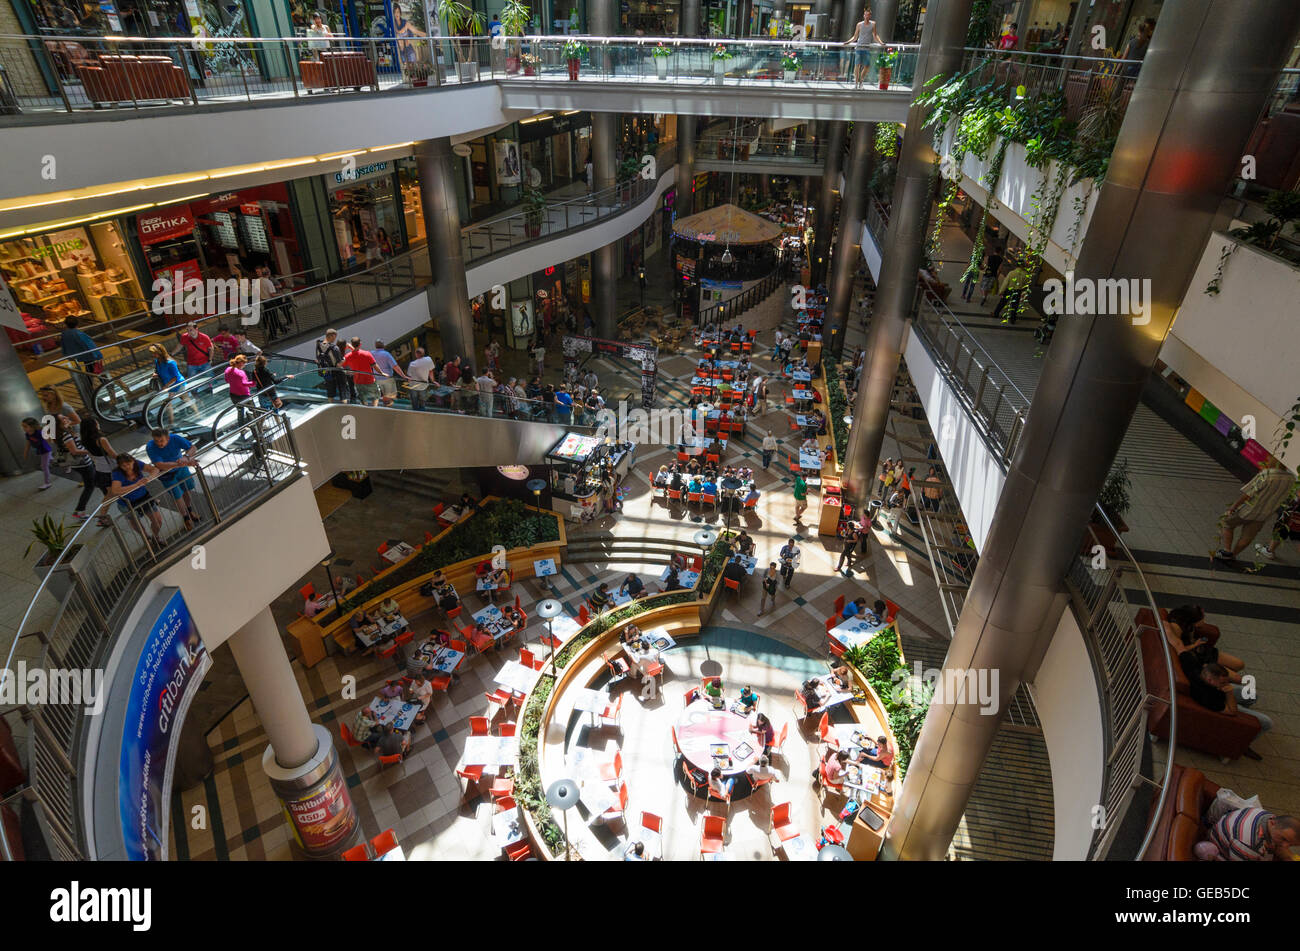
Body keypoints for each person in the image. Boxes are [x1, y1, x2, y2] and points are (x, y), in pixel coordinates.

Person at [1215, 462, 1297, 563]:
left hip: (1247, 510)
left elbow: (1248, 494)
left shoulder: (1267, 474)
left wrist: (1233, 507)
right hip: (1265, 514)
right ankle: (1233, 555)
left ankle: (1227, 551)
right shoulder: (1292, 479)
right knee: (1247, 537)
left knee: (1227, 523)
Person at [145, 428, 202, 529]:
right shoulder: (150, 446)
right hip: (167, 474)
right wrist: (183, 463)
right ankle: (185, 517)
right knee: (177, 496)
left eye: (161, 440)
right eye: (156, 441)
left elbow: (193, 447)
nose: (159, 444)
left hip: (182, 469)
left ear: (168, 438)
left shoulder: (175, 438)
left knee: (186, 490)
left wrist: (186, 457)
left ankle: (189, 511)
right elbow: (160, 465)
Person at [1195, 809, 1299, 862]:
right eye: (1284, 839)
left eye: (1291, 844)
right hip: (1222, 852)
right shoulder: (1248, 845)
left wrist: (1288, 856)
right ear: (1272, 823)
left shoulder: (1266, 816)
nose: (1286, 846)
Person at [108, 453, 164, 543]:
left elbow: (155, 469)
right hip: (127, 503)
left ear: (133, 461)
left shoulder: (137, 464)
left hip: (144, 497)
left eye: (129, 463)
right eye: (124, 466)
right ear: (119, 466)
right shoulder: (117, 473)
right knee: (136, 523)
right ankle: (146, 537)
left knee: (158, 521)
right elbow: (115, 490)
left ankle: (155, 537)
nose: (127, 467)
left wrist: (149, 478)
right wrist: (136, 485)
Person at [81, 417, 119, 527]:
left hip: (99, 470)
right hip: (110, 470)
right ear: (94, 425)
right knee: (111, 495)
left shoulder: (85, 440)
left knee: (111, 494)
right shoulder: (101, 439)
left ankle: (102, 517)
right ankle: (102, 517)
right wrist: (125, 460)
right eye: (96, 421)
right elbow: (112, 454)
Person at [845, 5, 884, 88]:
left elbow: (875, 35)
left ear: (870, 15)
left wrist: (881, 42)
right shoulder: (859, 24)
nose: (866, 16)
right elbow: (855, 36)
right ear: (864, 15)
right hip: (859, 47)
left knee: (867, 66)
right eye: (865, 15)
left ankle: (861, 81)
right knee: (857, 65)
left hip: (866, 48)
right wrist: (848, 42)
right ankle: (856, 83)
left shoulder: (873, 24)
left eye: (868, 15)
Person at [341, 337, 382, 406]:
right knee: (376, 396)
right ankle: (374, 409)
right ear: (360, 344)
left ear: (351, 344)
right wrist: (382, 373)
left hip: (358, 381)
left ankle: (365, 409)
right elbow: (375, 365)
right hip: (370, 380)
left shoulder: (348, 356)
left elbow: (340, 365)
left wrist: (347, 372)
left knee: (362, 398)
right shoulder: (367, 354)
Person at [21, 417, 54, 491]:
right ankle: (64, 464)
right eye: (23, 426)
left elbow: (49, 440)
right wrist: (25, 452)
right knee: (52, 461)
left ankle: (47, 483)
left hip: (46, 450)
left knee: (44, 466)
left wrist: (47, 435)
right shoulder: (27, 434)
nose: (23, 428)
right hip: (40, 450)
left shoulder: (39, 433)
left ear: (32, 426)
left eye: (25, 426)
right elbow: (28, 443)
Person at [371, 340, 407, 406]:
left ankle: (374, 410)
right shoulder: (386, 354)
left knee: (376, 397)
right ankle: (386, 410)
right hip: (387, 379)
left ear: (375, 346)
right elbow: (395, 366)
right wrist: (403, 376)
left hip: (376, 379)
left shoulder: (371, 353)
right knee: (388, 398)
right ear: (384, 345)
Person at [315, 329, 346, 403]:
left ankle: (330, 405)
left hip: (325, 371)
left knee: (330, 391)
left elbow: (317, 358)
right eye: (335, 337)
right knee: (343, 391)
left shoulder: (318, 345)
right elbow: (338, 364)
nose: (335, 339)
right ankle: (344, 408)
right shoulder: (334, 348)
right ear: (332, 336)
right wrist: (344, 359)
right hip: (336, 372)